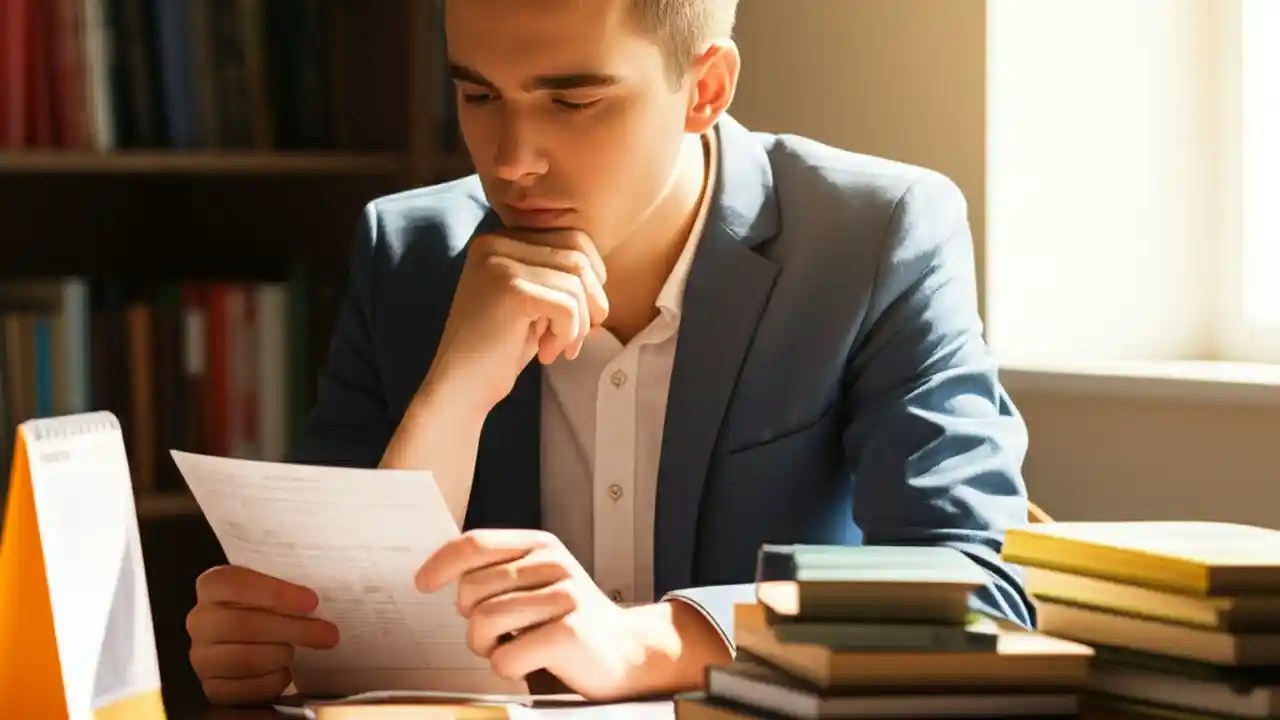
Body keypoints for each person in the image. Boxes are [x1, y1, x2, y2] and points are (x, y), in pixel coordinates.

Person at [185, 0, 1034, 706]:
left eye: (572, 102)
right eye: (479, 95)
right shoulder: (409, 255)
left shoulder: (873, 238)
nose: (511, 162)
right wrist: (453, 394)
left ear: (705, 89)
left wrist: (645, 642)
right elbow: (340, 624)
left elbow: (975, 589)